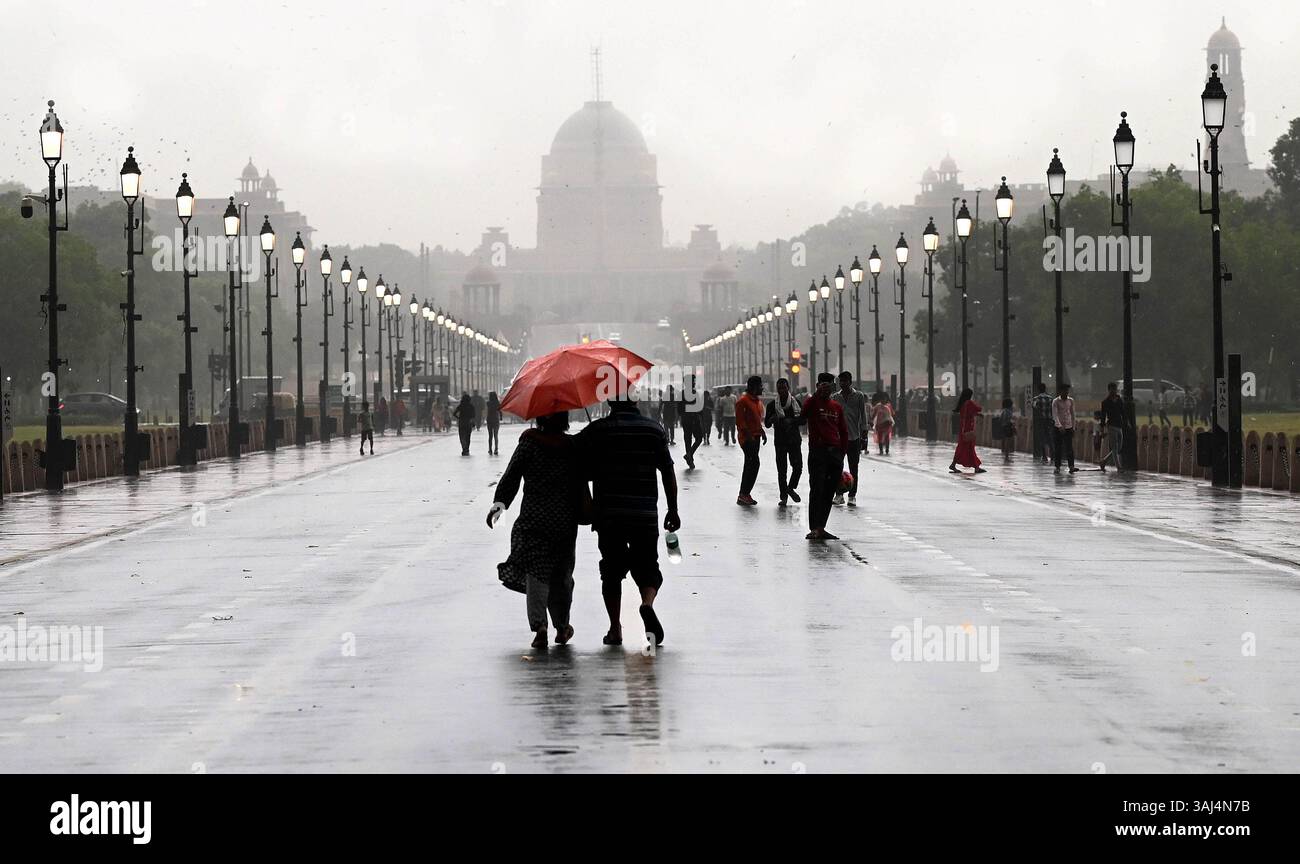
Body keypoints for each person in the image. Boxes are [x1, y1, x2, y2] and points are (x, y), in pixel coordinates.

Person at [577, 399, 680, 648]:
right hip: (644, 513)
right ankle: (647, 604)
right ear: (634, 401)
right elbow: (667, 471)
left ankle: (615, 628)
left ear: (611, 402)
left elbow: (578, 465)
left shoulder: (598, 430)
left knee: (611, 572)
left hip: (609, 514)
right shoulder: (654, 429)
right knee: (647, 567)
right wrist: (673, 509)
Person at [487, 412, 580, 650]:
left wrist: (500, 504)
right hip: (563, 521)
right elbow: (584, 477)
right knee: (561, 575)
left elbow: (511, 477)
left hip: (534, 519)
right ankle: (562, 626)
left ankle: (540, 626)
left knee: (536, 573)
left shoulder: (529, 443)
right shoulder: (571, 446)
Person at [802, 372, 848, 541]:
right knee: (817, 490)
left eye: (829, 384)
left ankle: (821, 527)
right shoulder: (812, 403)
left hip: (834, 454)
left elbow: (843, 431)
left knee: (828, 492)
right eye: (823, 384)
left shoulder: (837, 407)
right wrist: (816, 395)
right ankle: (813, 527)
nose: (826, 387)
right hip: (817, 452)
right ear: (818, 386)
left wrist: (841, 453)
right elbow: (803, 415)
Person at [765, 377, 805, 507]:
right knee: (782, 471)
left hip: (794, 440)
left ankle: (790, 488)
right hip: (780, 441)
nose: (782, 390)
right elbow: (766, 423)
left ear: (788, 388)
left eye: (784, 387)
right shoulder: (772, 405)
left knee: (798, 467)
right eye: (779, 388)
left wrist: (791, 421)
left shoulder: (796, 403)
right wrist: (772, 419)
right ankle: (784, 497)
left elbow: (803, 420)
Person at [832, 371, 868, 506]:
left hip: (854, 437)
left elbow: (863, 417)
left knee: (854, 468)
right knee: (837, 467)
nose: (843, 383)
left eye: (845, 381)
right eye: (840, 381)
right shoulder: (835, 397)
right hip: (839, 438)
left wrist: (864, 436)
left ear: (850, 382)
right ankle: (839, 494)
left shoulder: (858, 396)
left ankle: (852, 495)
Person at [734, 375, 766, 506]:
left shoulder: (756, 401)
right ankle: (744, 494)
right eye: (760, 386)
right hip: (748, 439)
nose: (762, 388)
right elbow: (741, 423)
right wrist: (750, 438)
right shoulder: (743, 401)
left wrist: (762, 432)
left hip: (755, 437)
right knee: (753, 464)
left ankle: (744, 494)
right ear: (754, 387)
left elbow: (756, 420)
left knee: (750, 465)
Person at [949, 388, 986, 474]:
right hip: (968, 429)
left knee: (965, 447)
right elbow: (978, 408)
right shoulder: (969, 403)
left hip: (963, 429)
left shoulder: (963, 404)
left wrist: (977, 414)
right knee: (967, 447)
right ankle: (954, 464)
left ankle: (975, 467)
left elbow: (969, 413)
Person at [679, 376, 705, 469]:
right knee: (699, 438)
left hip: (685, 419)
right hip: (693, 419)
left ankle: (690, 460)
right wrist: (701, 418)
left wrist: (682, 416)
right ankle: (689, 455)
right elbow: (699, 407)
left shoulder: (681, 393)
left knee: (688, 439)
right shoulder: (694, 393)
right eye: (693, 382)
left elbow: (679, 409)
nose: (694, 383)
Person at [1099, 382, 1125, 472]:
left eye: (1115, 389)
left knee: (1119, 447)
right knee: (1114, 447)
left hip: (1119, 425)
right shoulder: (1105, 402)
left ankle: (1104, 461)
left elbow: (1123, 412)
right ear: (1109, 390)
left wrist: (1127, 422)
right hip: (1111, 426)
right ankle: (1119, 467)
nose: (1114, 391)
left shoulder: (1119, 399)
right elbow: (1103, 416)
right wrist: (1102, 429)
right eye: (1112, 389)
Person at [1052, 383, 1078, 474]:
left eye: (1067, 391)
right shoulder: (1055, 401)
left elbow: (1073, 414)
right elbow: (1055, 415)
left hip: (1068, 427)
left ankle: (1071, 466)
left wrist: (1073, 427)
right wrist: (1059, 426)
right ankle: (1057, 466)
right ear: (1060, 391)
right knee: (1058, 448)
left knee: (1069, 448)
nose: (1066, 392)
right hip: (1058, 428)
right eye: (1064, 390)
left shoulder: (1071, 401)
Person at [1031, 382, 1053, 464]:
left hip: (1041, 420)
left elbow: (1034, 406)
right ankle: (1052, 455)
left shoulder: (1036, 398)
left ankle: (1044, 456)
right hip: (1049, 420)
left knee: (1042, 437)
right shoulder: (1050, 398)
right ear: (1045, 388)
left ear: (1038, 389)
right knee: (1050, 437)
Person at [996, 397, 1016, 462]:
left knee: (1005, 441)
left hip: (1004, 427)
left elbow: (1000, 419)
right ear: (1009, 405)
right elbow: (1010, 420)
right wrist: (1013, 426)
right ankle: (1007, 457)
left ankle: (1006, 456)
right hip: (1008, 427)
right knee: (1008, 442)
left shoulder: (1003, 411)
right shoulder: (1008, 411)